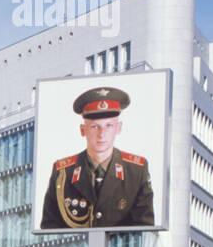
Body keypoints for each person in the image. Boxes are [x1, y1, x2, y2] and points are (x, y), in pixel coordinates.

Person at [40, 86, 154, 229]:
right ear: (83, 130)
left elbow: (144, 231)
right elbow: (49, 228)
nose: (102, 134)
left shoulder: (136, 171)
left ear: (118, 128)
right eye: (95, 127)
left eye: (109, 126)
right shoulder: (63, 172)